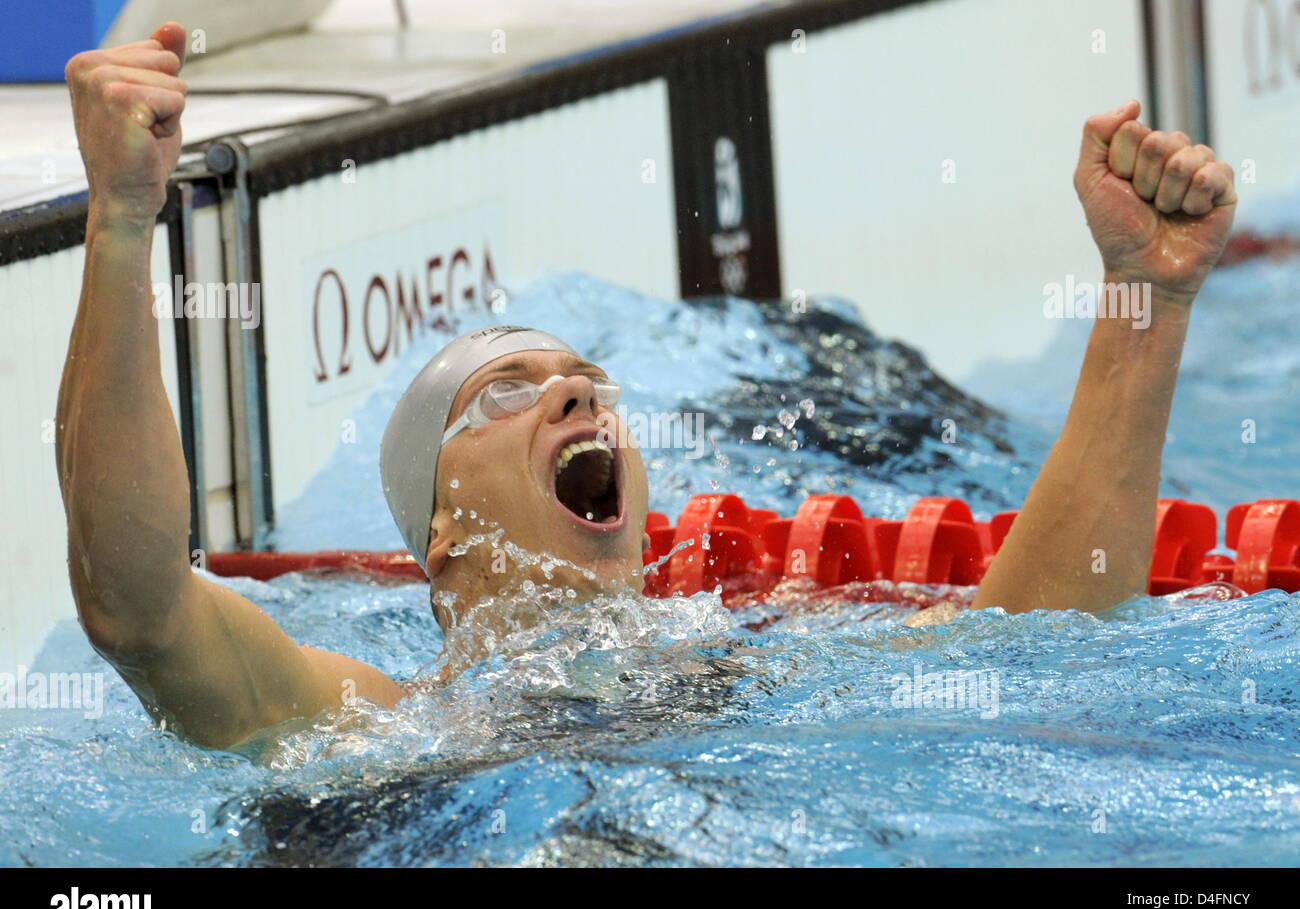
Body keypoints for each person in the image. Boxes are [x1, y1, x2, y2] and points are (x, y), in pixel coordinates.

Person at [56, 23, 1237, 750]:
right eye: (509, 392)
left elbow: (1040, 651)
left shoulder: (750, 672)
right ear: (443, 526)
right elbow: (137, 609)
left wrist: (1145, 300)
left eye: (584, 381)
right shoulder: (371, 721)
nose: (579, 399)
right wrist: (121, 226)